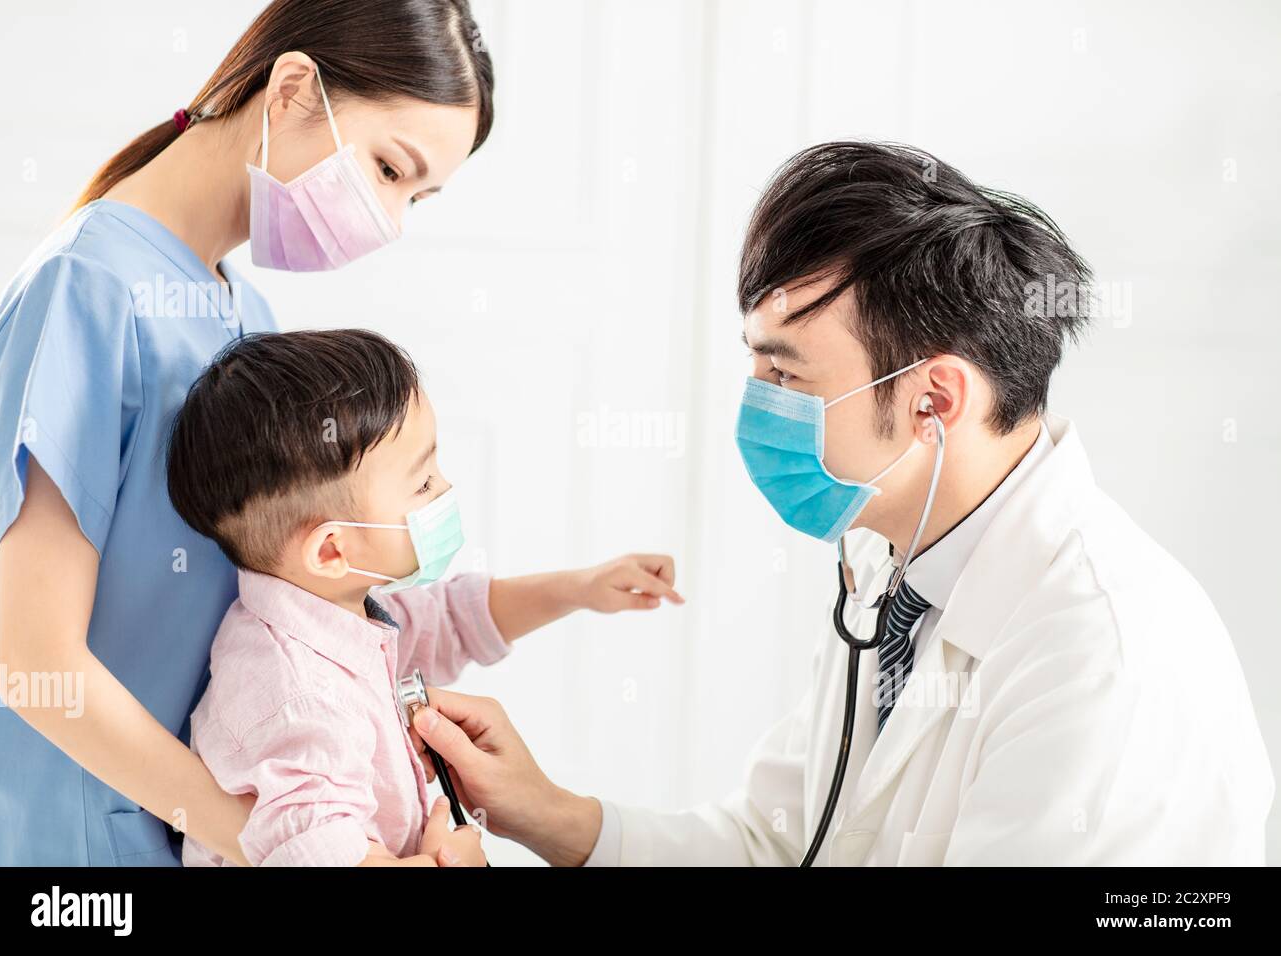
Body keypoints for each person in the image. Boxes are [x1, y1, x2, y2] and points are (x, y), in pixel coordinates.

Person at [405, 142, 1275, 866]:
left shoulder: (1098, 655)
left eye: (785, 374)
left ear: (935, 400)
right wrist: (546, 813)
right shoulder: (889, 567)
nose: (755, 405)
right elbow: (780, 845)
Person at [0, 0, 496, 866]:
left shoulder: (241, 313)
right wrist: (261, 837)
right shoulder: (88, 289)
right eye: (388, 169)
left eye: (420, 196)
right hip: (78, 844)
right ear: (293, 89)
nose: (393, 218)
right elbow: (39, 665)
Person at [168, 329, 681, 867]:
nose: (444, 490)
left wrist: (581, 588)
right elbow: (319, 852)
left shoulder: (328, 609)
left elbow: (452, 619)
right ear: (331, 550)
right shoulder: (298, 698)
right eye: (421, 484)